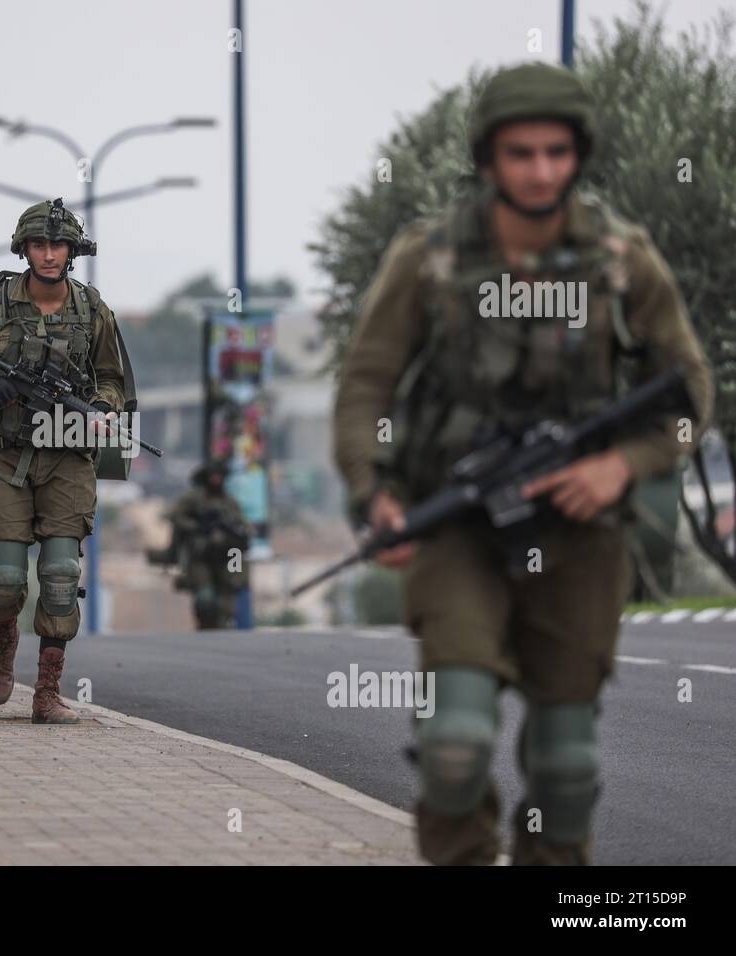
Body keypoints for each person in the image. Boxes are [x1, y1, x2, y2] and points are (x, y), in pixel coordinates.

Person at [331, 62, 713, 865]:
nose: (540, 171)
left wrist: (621, 466)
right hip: (460, 529)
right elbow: (365, 385)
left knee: (566, 764)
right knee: (456, 744)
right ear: (488, 159)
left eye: (555, 152)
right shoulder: (427, 259)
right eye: (520, 153)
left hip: (581, 533)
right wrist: (374, 496)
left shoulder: (621, 258)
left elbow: (691, 395)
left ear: (578, 155)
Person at [0, 199, 130, 724]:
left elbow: (112, 379)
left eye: (58, 245)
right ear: (24, 249)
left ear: (72, 251)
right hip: (7, 454)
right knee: (4, 580)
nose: (48, 255)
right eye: (39, 245)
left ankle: (47, 691)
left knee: (60, 572)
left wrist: (101, 408)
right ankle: (5, 633)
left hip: (69, 454)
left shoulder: (93, 310)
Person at [165, 461, 249, 629]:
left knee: (230, 596)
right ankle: (206, 626)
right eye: (214, 476)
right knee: (205, 599)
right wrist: (197, 526)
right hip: (201, 554)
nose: (217, 480)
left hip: (228, 554)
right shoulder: (193, 498)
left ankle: (223, 626)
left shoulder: (230, 502)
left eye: (220, 476)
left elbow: (243, 529)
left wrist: (235, 532)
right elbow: (176, 516)